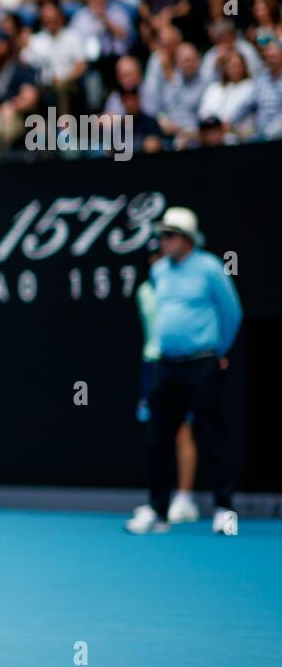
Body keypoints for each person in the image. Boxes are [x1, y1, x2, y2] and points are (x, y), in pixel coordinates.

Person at [127, 208, 242, 535]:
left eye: (169, 235)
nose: (163, 241)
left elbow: (231, 312)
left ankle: (224, 510)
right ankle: (157, 510)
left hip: (202, 362)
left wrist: (218, 351)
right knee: (159, 439)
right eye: (161, 235)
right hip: (166, 364)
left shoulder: (209, 268)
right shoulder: (160, 271)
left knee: (213, 436)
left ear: (187, 239)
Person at [131, 242, 198, 529]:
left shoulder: (185, 288)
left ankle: (184, 499)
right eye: (153, 257)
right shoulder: (144, 292)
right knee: (158, 435)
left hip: (184, 363)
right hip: (154, 366)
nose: (158, 261)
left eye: (162, 256)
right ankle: (159, 502)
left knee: (183, 433)